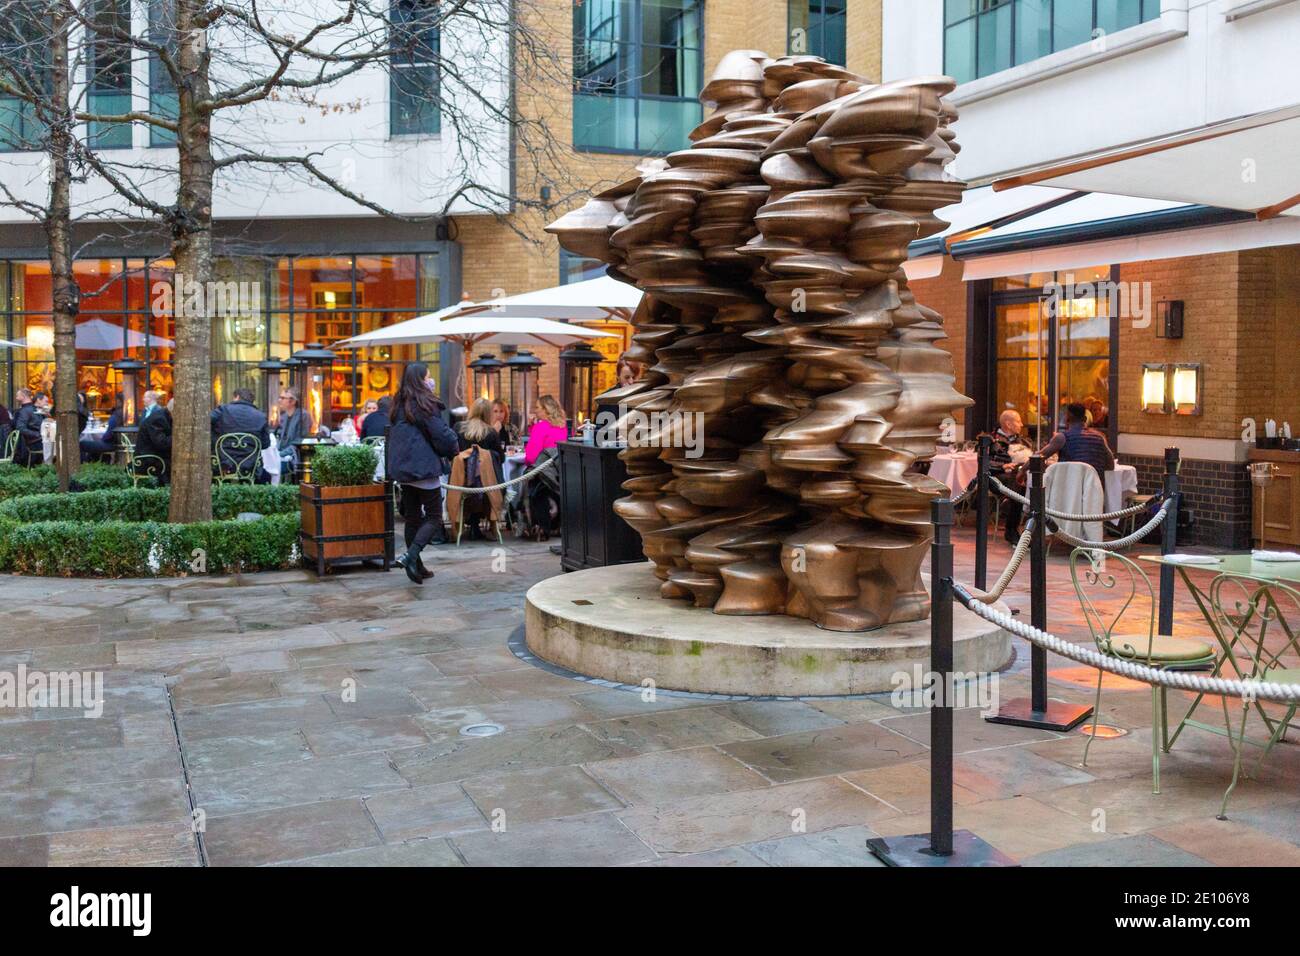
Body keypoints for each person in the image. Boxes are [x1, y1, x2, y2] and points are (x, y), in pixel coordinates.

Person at [388, 362, 458, 585]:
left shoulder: (398, 404)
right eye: (428, 376)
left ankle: (416, 565)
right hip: (424, 468)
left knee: (413, 518)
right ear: (420, 379)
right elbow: (440, 433)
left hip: (406, 470)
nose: (431, 380)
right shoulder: (425, 403)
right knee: (435, 517)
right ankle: (410, 556)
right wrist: (454, 448)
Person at [455, 398, 505, 541]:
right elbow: (501, 459)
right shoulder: (491, 433)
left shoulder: (459, 428)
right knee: (482, 482)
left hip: (460, 482)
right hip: (487, 484)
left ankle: (469, 524)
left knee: (473, 482)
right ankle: (488, 524)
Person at [523, 394, 568, 540]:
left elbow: (531, 458)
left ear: (546, 410)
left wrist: (534, 430)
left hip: (544, 474)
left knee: (532, 480)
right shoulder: (563, 427)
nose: (535, 411)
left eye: (537, 407)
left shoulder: (541, 427)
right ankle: (558, 524)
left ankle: (541, 527)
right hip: (561, 473)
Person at [1041, 402, 1115, 482]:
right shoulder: (1100, 437)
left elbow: (1037, 458)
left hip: (1069, 488)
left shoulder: (1063, 437)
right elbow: (1110, 466)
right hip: (1094, 490)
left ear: (1067, 419)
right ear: (1085, 419)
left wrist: (1024, 470)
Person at [211, 387, 271, 478]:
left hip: (222, 463)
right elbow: (265, 444)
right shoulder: (261, 416)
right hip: (250, 465)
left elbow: (206, 422)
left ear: (237, 397)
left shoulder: (223, 410)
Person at [134, 390, 173, 483]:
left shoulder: (165, 416)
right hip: (147, 459)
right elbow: (161, 443)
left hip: (154, 454)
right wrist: (179, 436)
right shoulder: (158, 418)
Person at [79, 391, 123, 463]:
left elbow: (107, 436)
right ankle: (93, 462)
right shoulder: (124, 415)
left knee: (81, 444)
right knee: (94, 443)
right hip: (119, 443)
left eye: (115, 400)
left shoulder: (116, 416)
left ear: (118, 401)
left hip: (111, 445)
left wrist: (102, 439)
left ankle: (83, 464)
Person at [274, 386, 306, 477]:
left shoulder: (303, 416)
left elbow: (299, 442)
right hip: (282, 455)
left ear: (293, 401)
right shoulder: (284, 416)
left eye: (283, 398)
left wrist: (279, 454)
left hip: (294, 458)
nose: (279, 400)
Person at [10, 388, 44, 467]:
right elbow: (20, 427)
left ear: (24, 396)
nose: (15, 398)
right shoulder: (26, 410)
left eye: (17, 395)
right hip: (35, 443)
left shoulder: (27, 410)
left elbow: (20, 427)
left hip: (37, 441)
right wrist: (38, 435)